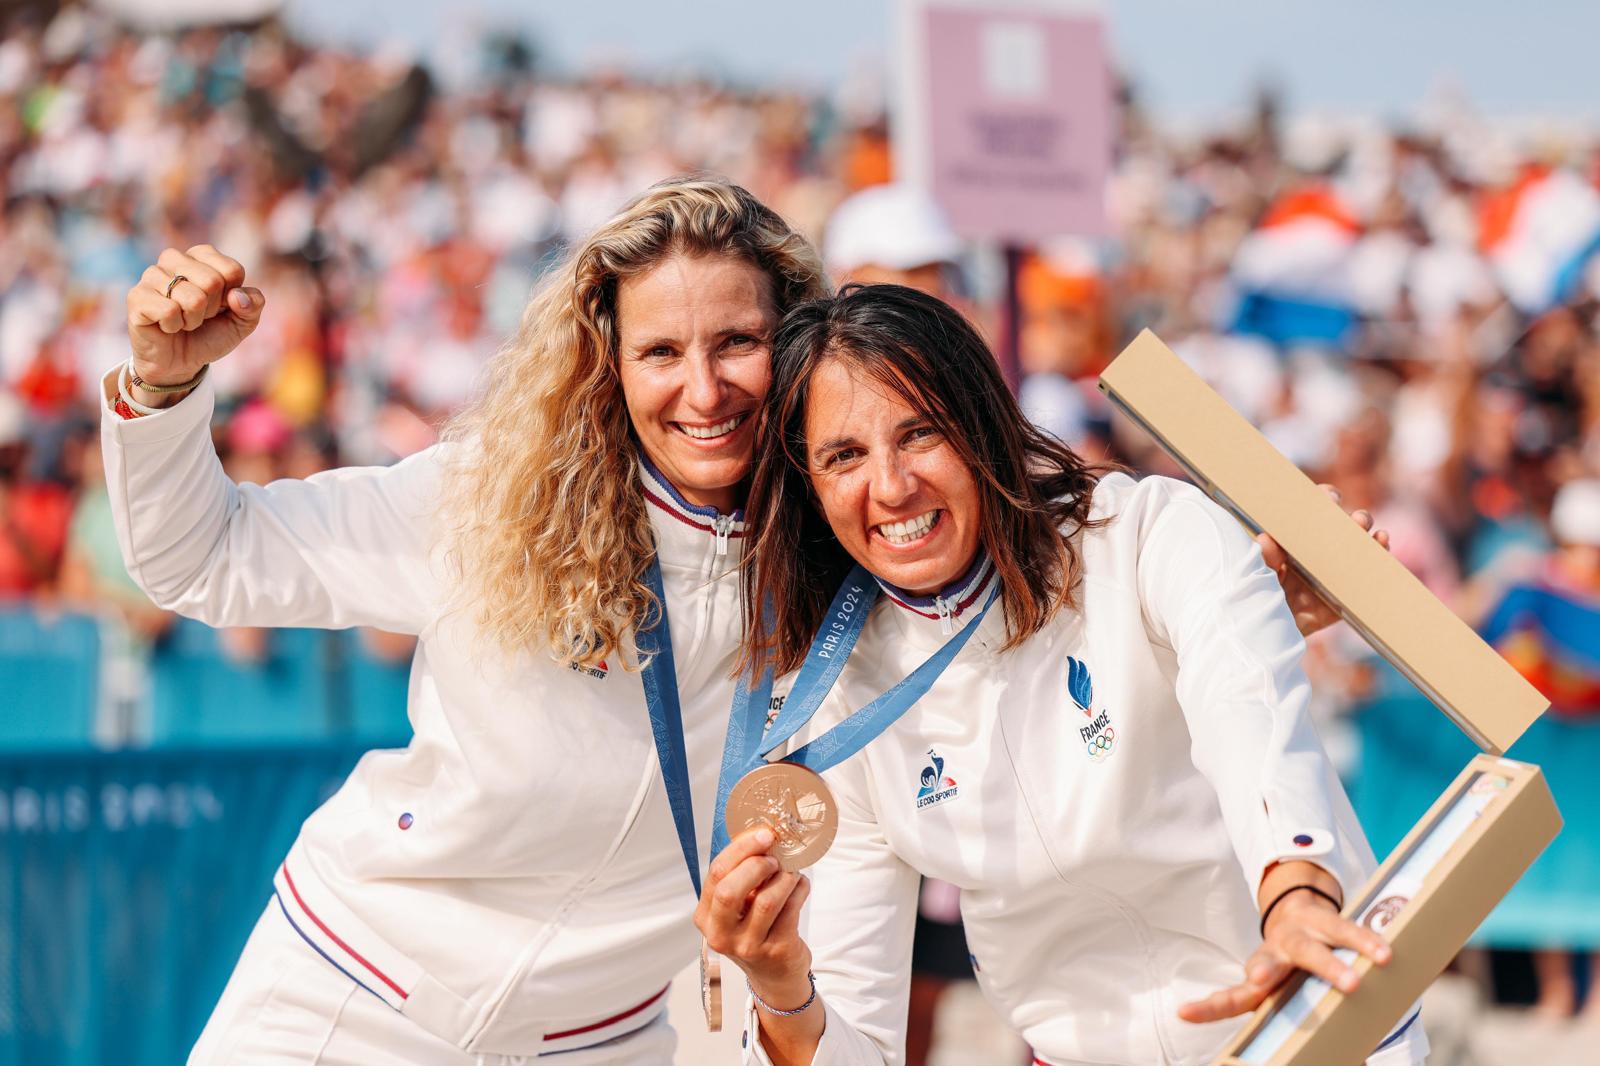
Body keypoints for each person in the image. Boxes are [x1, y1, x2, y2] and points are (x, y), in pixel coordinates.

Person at [107, 177, 826, 1065]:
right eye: (661, 352)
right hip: (350, 995)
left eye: (738, 342)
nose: (704, 389)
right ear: (607, 359)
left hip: (599, 1043)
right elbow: (207, 557)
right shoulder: (496, 493)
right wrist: (162, 390)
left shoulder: (838, 557)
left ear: (794, 343)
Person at [696, 284, 1427, 1066]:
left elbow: (1246, 707)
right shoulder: (838, 701)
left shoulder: (1146, 533)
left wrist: (1297, 891)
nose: (890, 485)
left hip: (1314, 1022)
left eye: (920, 433)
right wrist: (781, 990)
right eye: (844, 455)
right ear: (807, 483)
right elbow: (862, 1048)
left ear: (982, 425)